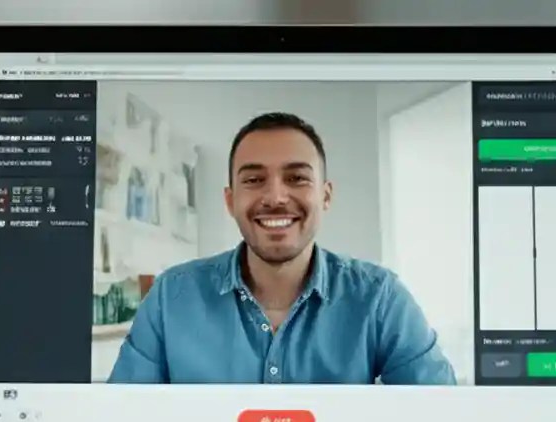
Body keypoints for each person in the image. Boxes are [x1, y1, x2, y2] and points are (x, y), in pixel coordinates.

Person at [108, 112, 456, 385]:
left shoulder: (381, 297)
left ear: (326, 195)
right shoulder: (171, 297)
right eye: (254, 180)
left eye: (297, 178)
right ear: (230, 200)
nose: (275, 197)